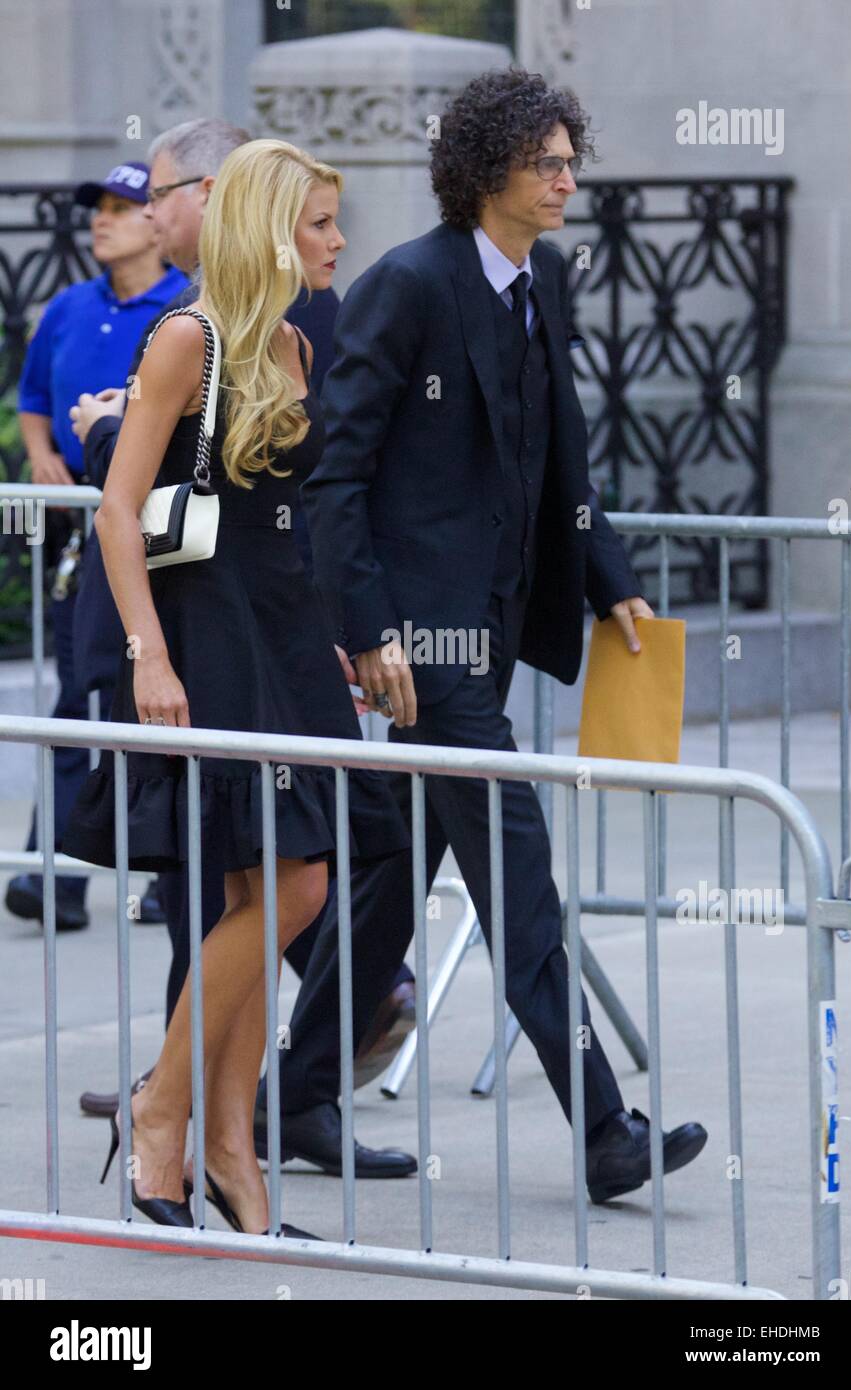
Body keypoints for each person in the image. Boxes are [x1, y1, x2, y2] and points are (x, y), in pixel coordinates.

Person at [265, 68, 708, 1206]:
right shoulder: (406, 285)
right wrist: (367, 631)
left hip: (495, 626)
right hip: (422, 651)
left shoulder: (542, 279)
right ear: (487, 172)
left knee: (396, 873)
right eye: (548, 162)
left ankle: (293, 1094)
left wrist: (611, 581)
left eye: (571, 160)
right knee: (520, 877)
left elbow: (561, 451)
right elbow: (337, 476)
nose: (568, 179)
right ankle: (606, 1126)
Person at [60, 138, 411, 1234]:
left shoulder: (298, 348)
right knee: (289, 891)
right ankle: (167, 1115)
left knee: (269, 894)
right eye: (317, 224)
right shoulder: (187, 339)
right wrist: (148, 656)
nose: (337, 242)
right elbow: (119, 511)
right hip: (209, 641)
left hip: (292, 641)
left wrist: (354, 643)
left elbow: (304, 517)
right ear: (267, 228)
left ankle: (228, 1153)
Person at [4, 162, 186, 932]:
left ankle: (172, 882)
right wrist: (41, 451)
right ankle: (57, 879)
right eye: (96, 209)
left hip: (171, 537)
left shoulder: (182, 310)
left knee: (162, 705)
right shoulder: (69, 306)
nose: (101, 221)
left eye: (121, 206)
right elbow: (34, 400)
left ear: (157, 222)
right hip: (89, 534)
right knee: (82, 699)